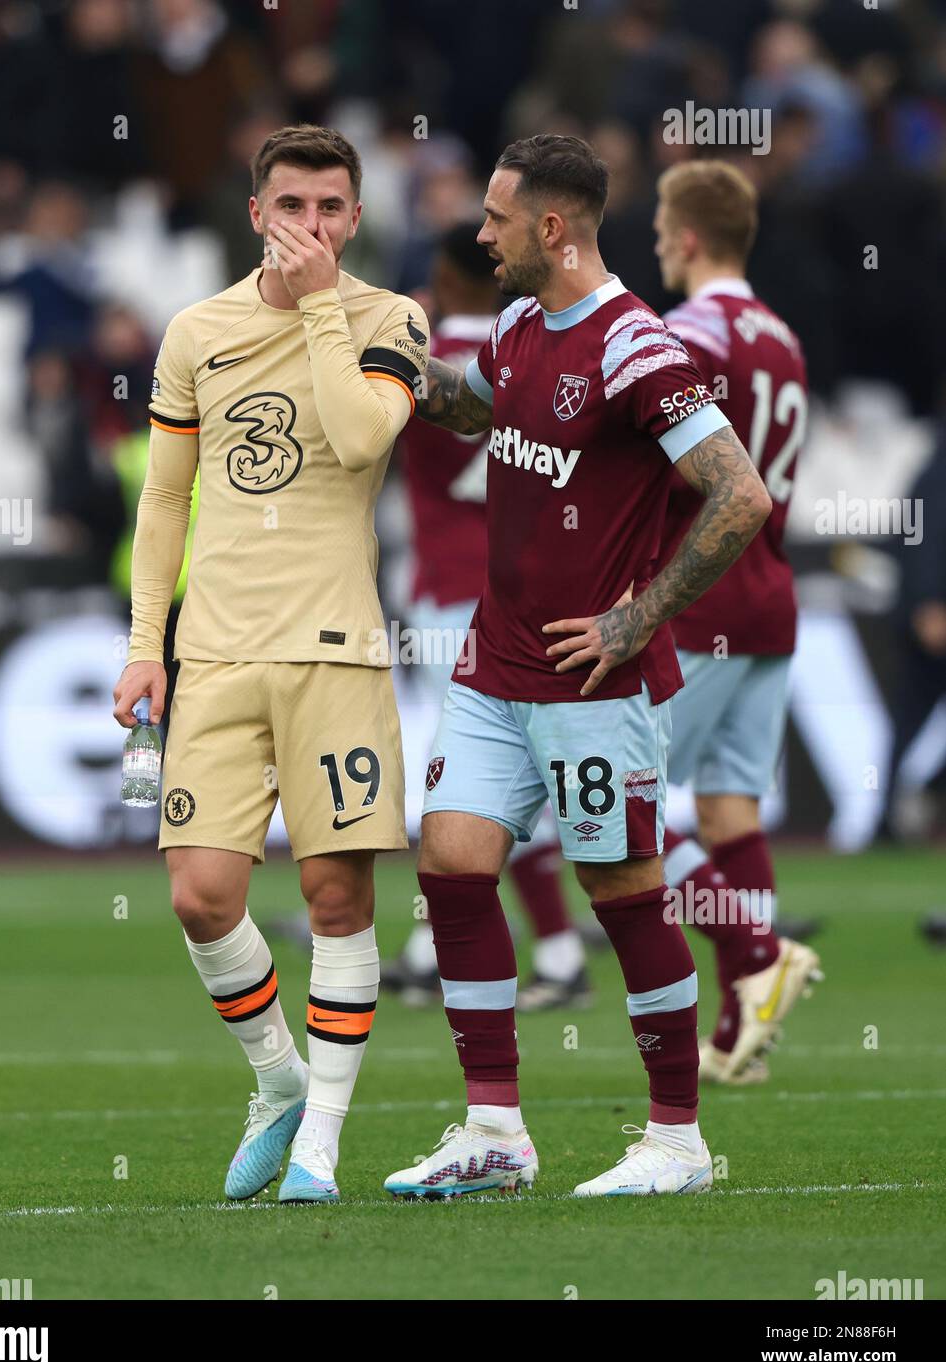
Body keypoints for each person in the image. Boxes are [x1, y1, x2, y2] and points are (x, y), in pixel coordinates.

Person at [383, 134, 771, 1200]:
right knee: (451, 862)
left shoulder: (635, 346)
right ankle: (493, 1130)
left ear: (549, 228)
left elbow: (737, 495)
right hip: (491, 660)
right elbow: (487, 414)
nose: (479, 233)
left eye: (497, 218)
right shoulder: (515, 323)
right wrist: (411, 376)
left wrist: (632, 618)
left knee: (623, 893)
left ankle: (677, 1141)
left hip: (591, 683)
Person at [112, 124, 429, 1205]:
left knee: (337, 896)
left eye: (331, 208)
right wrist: (144, 641)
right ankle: (279, 1081)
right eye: (291, 207)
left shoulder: (393, 319)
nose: (310, 227)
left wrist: (326, 303)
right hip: (214, 650)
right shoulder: (197, 330)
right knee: (200, 895)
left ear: (355, 215)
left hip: (334, 647)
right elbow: (163, 500)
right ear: (255, 214)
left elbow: (355, 440)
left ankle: (321, 1145)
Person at [386, 220, 597, 1012]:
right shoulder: (538, 343)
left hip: (449, 588)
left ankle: (556, 949)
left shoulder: (426, 352)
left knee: (480, 780)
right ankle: (433, 947)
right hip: (530, 583)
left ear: (441, 276)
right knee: (505, 773)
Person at [652, 160, 821, 1085]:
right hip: (770, 596)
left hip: (702, 592)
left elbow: (681, 467)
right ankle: (739, 1030)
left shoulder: (688, 331)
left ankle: (757, 953)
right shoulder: (781, 335)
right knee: (728, 808)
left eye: (658, 231)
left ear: (683, 239)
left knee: (619, 799)